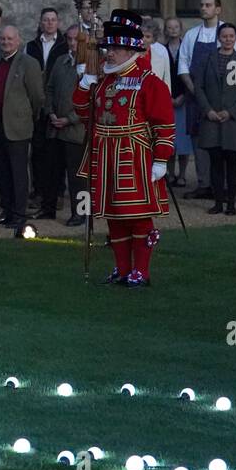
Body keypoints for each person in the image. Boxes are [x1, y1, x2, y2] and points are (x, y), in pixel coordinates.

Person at [73, 21, 175, 288]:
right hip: (105, 155)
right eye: (109, 47)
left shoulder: (149, 82)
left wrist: (161, 159)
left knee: (137, 215)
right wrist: (85, 84)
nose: (109, 53)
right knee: (114, 216)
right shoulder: (105, 80)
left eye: (116, 48)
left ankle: (141, 270)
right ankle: (122, 268)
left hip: (135, 157)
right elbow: (85, 114)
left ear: (131, 50)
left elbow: (163, 123)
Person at [178, 0, 236, 199]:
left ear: (218, 9)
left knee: (220, 141)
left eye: (208, 5)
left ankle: (220, 185)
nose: (204, 8)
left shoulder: (229, 34)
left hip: (220, 99)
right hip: (196, 97)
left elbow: (235, 66)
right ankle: (204, 183)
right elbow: (183, 65)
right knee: (199, 141)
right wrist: (196, 91)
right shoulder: (191, 35)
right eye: (202, 4)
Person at [0, 26, 43, 233]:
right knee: (1, 172)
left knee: (18, 173)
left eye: (10, 39)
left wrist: (26, 117)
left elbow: (37, 97)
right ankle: (6, 211)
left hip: (17, 126)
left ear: (18, 40)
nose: (6, 42)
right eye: (3, 39)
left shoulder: (29, 63)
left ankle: (19, 215)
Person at [195, 23, 236, 216]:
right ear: (219, 38)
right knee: (216, 162)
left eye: (231, 36)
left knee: (233, 163)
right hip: (211, 119)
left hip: (233, 122)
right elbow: (199, 87)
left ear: (235, 38)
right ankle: (218, 202)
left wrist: (231, 112)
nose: (228, 39)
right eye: (224, 36)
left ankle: (231, 203)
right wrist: (208, 110)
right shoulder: (207, 59)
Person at [43, 23, 88, 227]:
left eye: (76, 40)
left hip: (77, 130)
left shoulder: (92, 65)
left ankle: (81, 212)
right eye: (69, 39)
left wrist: (69, 118)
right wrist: (51, 112)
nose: (72, 44)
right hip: (56, 127)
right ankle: (48, 208)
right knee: (52, 171)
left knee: (78, 177)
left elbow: (90, 99)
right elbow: (50, 88)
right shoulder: (61, 61)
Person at [26, 7, 68, 214]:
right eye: (46, 20)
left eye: (53, 20)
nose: (50, 23)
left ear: (58, 23)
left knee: (56, 152)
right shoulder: (32, 46)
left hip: (56, 103)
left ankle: (58, 192)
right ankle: (38, 191)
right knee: (37, 152)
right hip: (37, 104)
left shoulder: (63, 46)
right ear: (41, 23)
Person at [164, 15, 193, 186]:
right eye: (170, 27)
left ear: (180, 29)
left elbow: (190, 74)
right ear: (166, 30)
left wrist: (184, 95)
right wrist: (167, 97)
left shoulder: (186, 48)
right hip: (167, 99)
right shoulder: (162, 50)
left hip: (184, 99)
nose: (173, 30)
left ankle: (182, 174)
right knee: (170, 140)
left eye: (176, 27)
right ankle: (170, 172)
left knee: (183, 140)